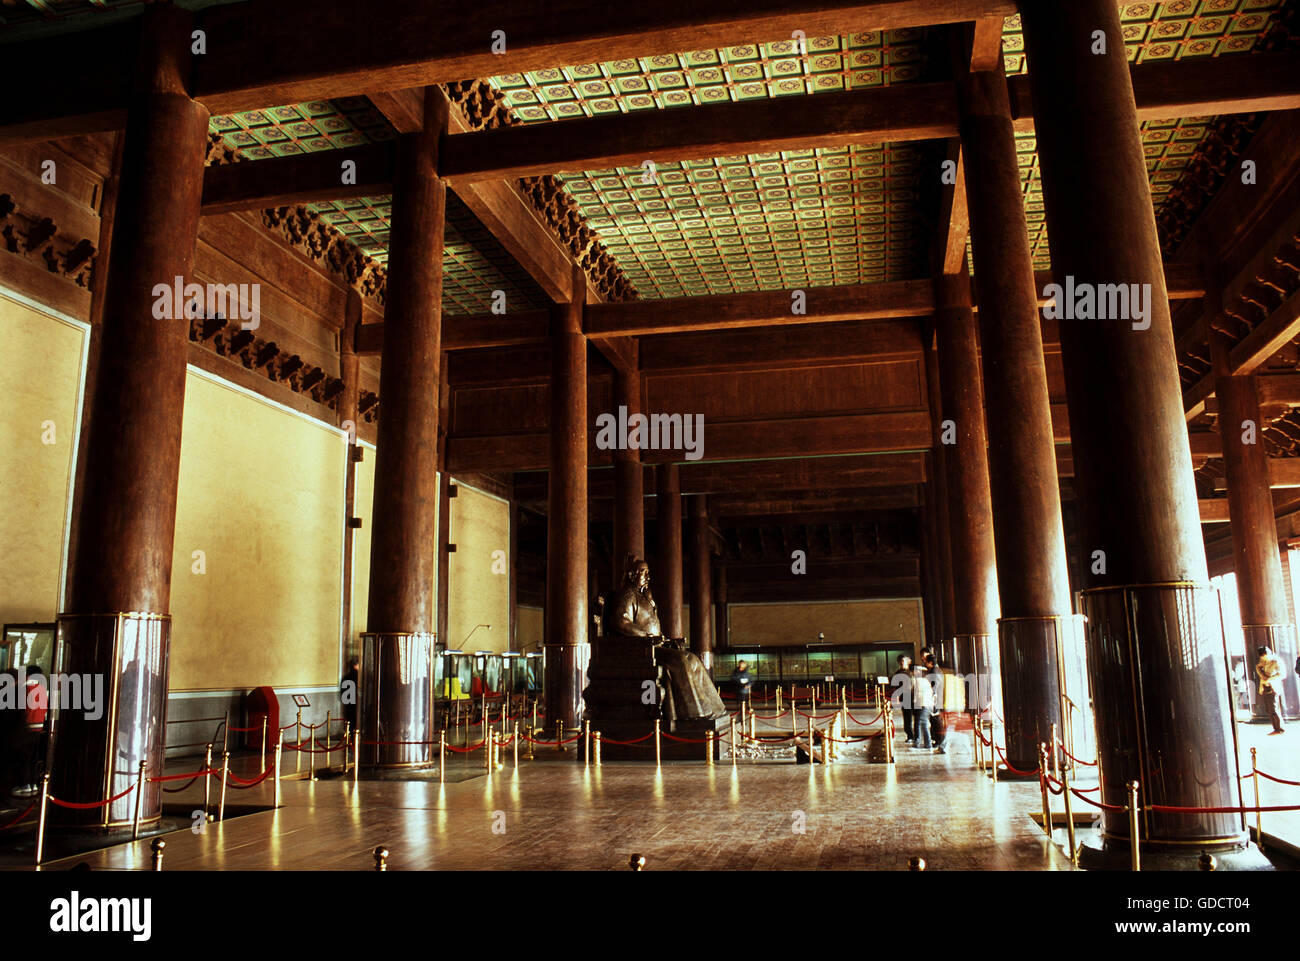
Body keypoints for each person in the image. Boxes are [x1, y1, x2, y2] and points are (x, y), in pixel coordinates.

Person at [1256, 645, 1286, 735]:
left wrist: (1268, 679)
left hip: (1273, 686)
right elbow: (1258, 667)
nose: (1264, 659)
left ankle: (1280, 728)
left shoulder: (1276, 661)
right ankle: (1276, 728)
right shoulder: (1263, 660)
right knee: (1269, 709)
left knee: (1274, 708)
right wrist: (1263, 678)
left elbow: (1282, 674)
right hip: (1265, 686)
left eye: (1265, 656)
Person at [890, 654, 915, 744]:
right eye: (900, 661)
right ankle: (910, 736)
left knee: (918, 718)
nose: (902, 663)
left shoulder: (913, 671)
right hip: (905, 698)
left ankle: (918, 736)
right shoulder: (897, 674)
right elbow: (895, 688)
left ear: (908, 661)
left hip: (915, 697)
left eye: (904, 661)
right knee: (907, 718)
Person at [911, 663, 936, 751]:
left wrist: (915, 704)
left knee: (920, 724)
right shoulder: (925, 680)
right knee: (922, 724)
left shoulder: (919, 681)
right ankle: (926, 744)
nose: (914, 672)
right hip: (927, 704)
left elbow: (917, 694)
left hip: (923, 704)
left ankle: (920, 743)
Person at [340, 656, 359, 734]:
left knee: (349, 727)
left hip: (348, 706)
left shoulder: (345, 677)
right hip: (356, 706)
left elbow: (342, 696)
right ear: (355, 665)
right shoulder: (359, 677)